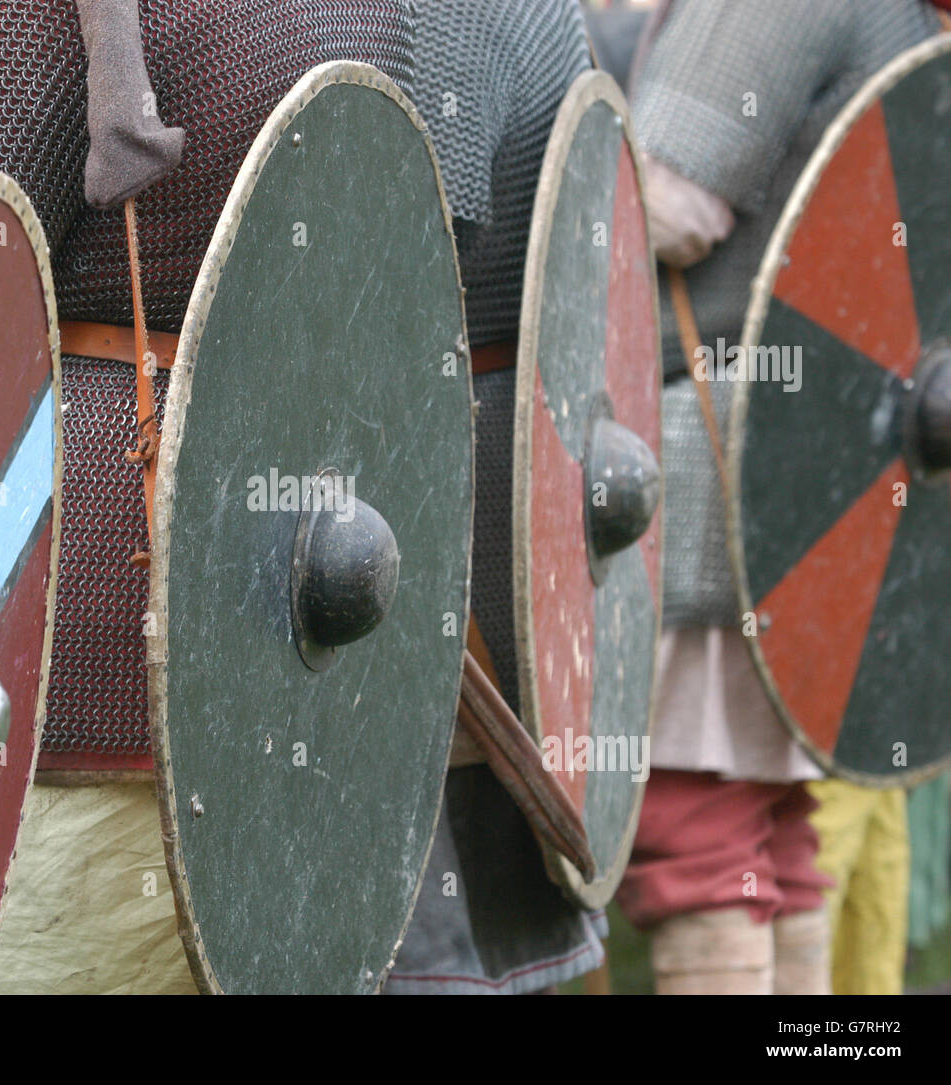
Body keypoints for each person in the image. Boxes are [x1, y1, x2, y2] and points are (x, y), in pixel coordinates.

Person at [615, 0, 945, 994]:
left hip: (727, 462)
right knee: (776, 829)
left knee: (696, 818)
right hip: (852, 480)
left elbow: (666, 199)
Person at [386, 0, 610, 995]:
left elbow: (407, 232)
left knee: (428, 934)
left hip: (424, 475)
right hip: (475, 468)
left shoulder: (454, 17)